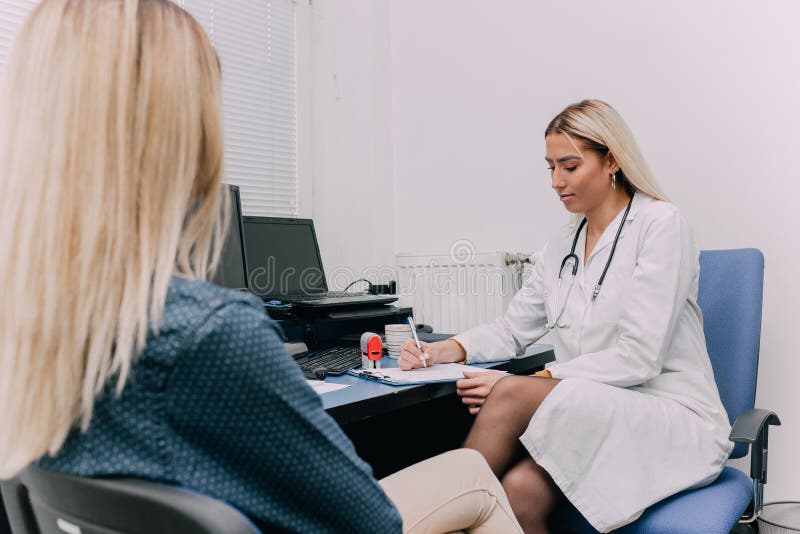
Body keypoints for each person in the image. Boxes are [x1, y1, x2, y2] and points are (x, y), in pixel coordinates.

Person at [0, 1, 523, 532]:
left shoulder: (28, 321)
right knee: (472, 472)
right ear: (183, 137)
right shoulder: (207, 331)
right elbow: (371, 522)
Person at [399, 100, 733, 533]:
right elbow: (511, 329)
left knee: (514, 394)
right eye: (550, 168)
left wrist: (536, 382)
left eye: (570, 166)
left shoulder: (661, 225)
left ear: (611, 159)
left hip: (668, 417)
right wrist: (449, 348)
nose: (556, 182)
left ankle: (402, 515)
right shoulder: (562, 244)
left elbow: (640, 358)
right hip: (595, 416)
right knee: (519, 493)